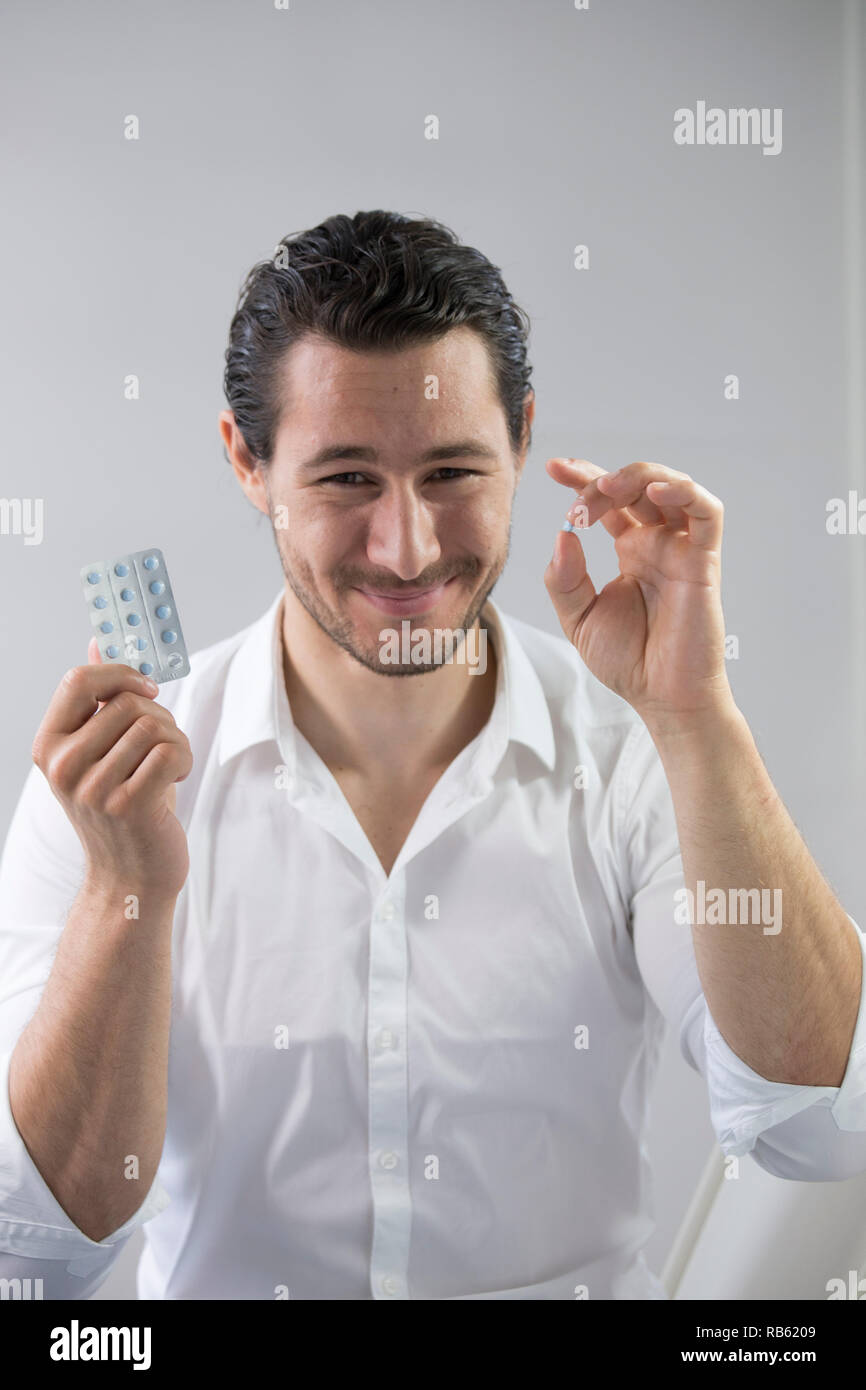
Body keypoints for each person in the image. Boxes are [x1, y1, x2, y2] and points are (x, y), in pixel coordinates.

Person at [1, 210, 864, 1302]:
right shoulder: (107, 797)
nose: (405, 549)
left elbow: (824, 1128)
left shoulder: (638, 754)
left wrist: (694, 716)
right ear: (245, 460)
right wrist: (128, 890)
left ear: (522, 437)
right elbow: (38, 1250)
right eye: (346, 480)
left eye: (451, 471)